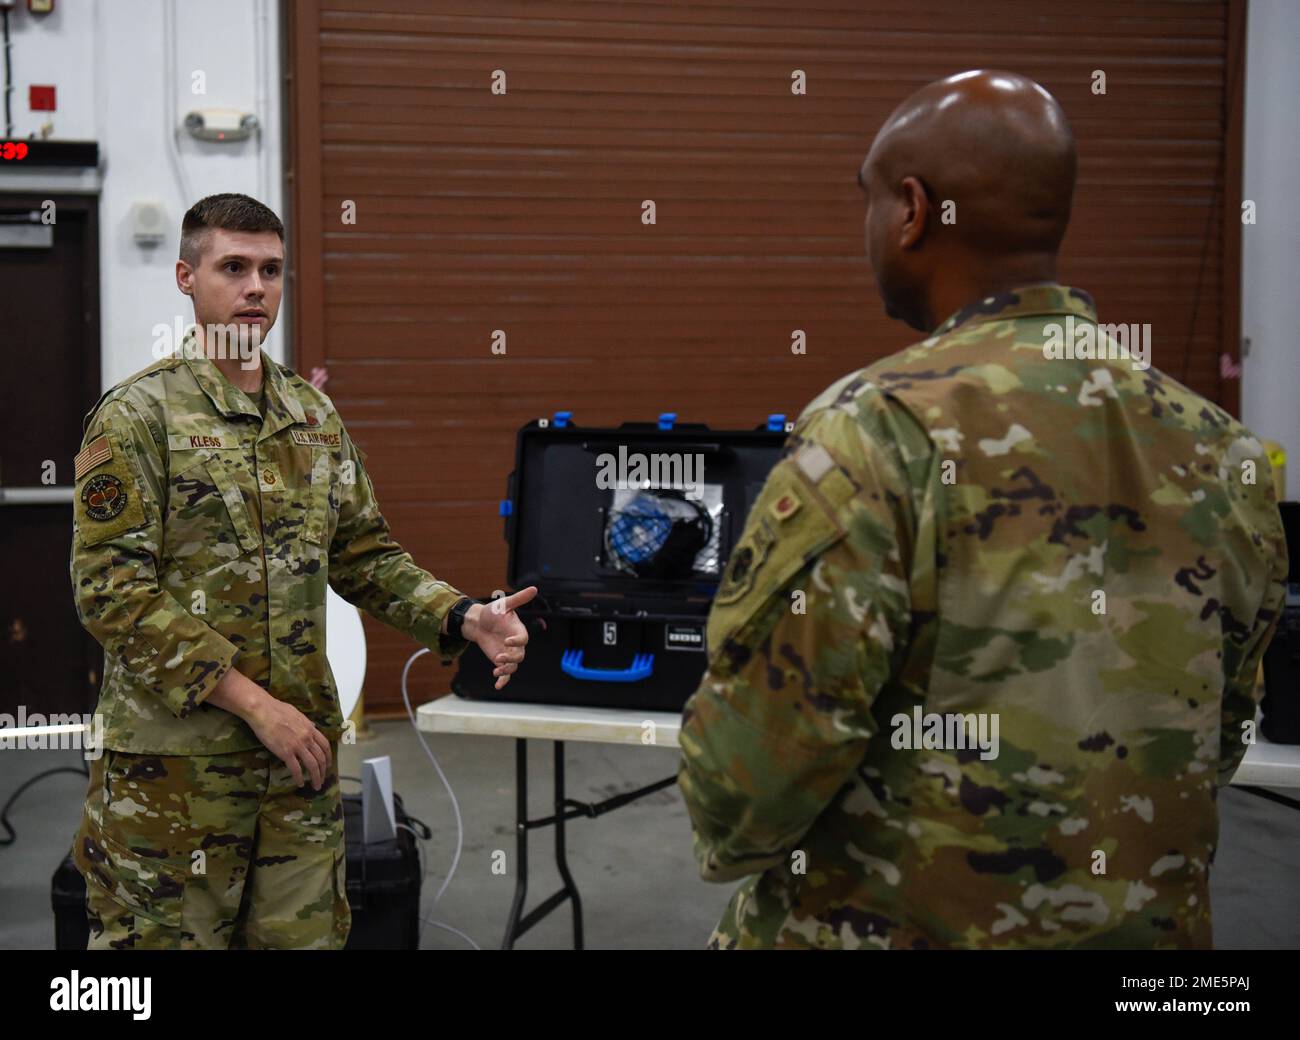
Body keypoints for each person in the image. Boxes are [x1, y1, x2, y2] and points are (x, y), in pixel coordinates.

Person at [677, 70, 1288, 949]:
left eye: (872, 202)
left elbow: (751, 780)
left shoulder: (875, 431)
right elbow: (1218, 739)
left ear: (914, 212)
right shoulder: (1225, 450)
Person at [69, 193, 536, 949]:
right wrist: (255, 704)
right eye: (234, 268)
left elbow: (365, 557)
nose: (255, 287)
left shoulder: (311, 417)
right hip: (174, 779)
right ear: (187, 278)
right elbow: (112, 596)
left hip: (295, 773)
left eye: (271, 270)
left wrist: (462, 615)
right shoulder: (136, 417)